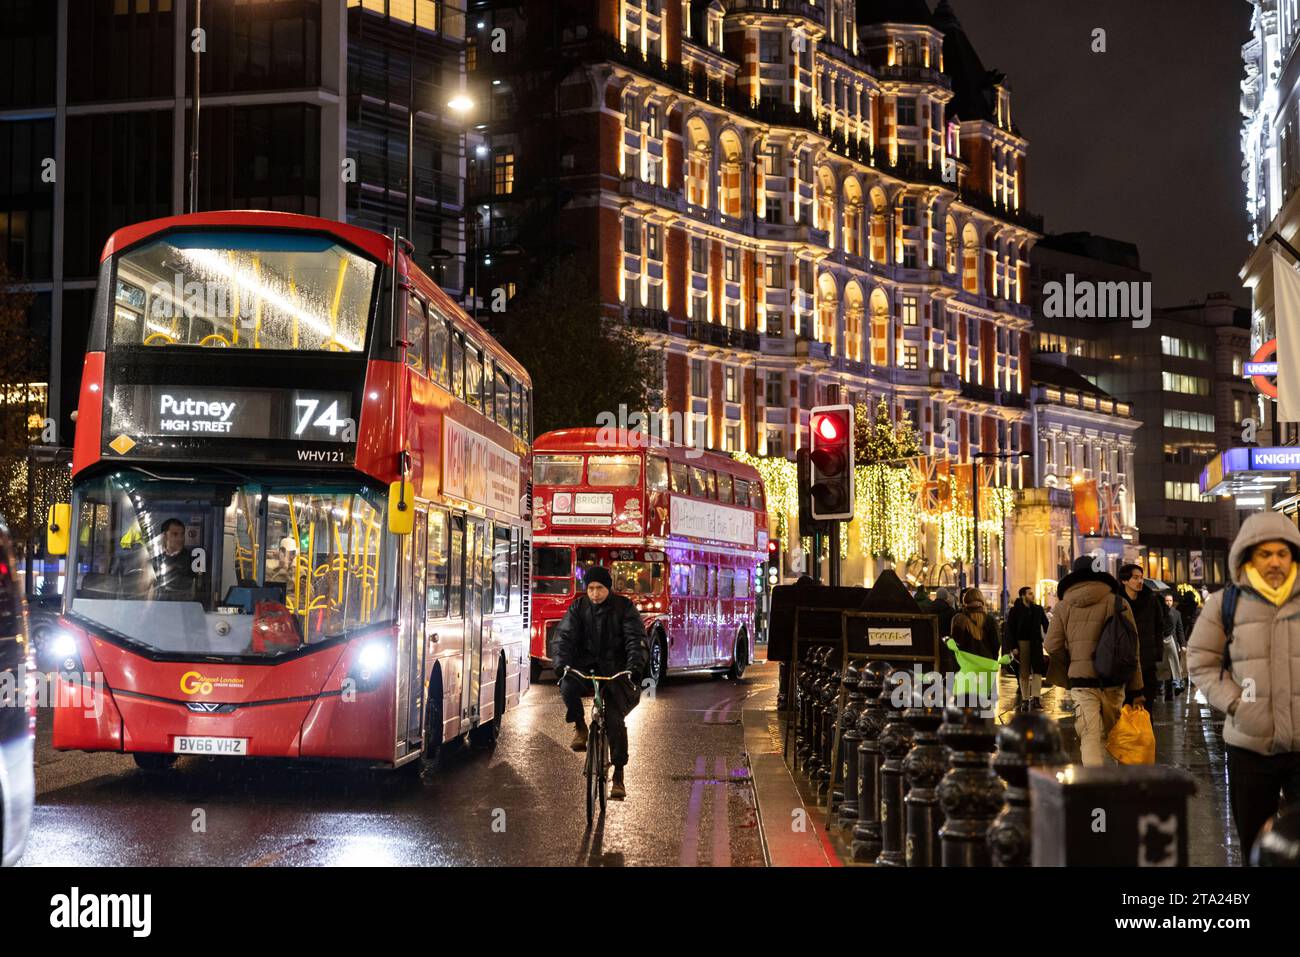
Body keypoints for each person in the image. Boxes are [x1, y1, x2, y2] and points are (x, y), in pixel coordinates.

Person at [1187, 512, 1300, 855]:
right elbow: (1200, 661)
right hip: (1249, 747)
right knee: (1253, 843)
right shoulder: (1225, 604)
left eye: (1282, 553)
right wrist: (1236, 703)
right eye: (1265, 554)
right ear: (1248, 557)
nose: (1275, 562)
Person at [553, 565, 650, 800]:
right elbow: (563, 637)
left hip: (616, 671)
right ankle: (580, 727)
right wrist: (561, 664)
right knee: (567, 686)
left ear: (609, 588)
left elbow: (635, 640)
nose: (595, 594)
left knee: (614, 720)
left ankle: (618, 774)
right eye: (591, 589)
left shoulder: (624, 608)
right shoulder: (579, 607)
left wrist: (634, 669)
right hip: (585, 666)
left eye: (599, 588)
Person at [1044, 556, 1144, 766]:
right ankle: (1112, 783)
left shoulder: (1063, 606)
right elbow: (1132, 649)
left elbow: (1051, 645)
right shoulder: (1117, 602)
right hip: (1112, 679)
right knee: (1113, 733)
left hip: (1081, 680)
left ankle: (1094, 783)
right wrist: (1137, 690)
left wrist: (1072, 662)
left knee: (1089, 733)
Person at [1118, 564, 1165, 708]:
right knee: (1124, 708)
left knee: (1146, 707)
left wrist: (1157, 651)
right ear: (1124, 581)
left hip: (1146, 660)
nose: (1140, 581)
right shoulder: (1117, 601)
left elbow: (1160, 626)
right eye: (1135, 578)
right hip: (1123, 662)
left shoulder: (1151, 600)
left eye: (1141, 578)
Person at [1005, 586, 1049, 710]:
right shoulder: (1015, 611)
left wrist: (1050, 639)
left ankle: (1036, 698)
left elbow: (1046, 626)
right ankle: (1025, 699)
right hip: (1022, 643)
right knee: (1024, 672)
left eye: (1032, 593)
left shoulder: (1038, 609)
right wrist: (1013, 646)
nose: (1033, 595)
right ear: (1023, 596)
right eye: (1030, 594)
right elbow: (1010, 630)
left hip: (1036, 643)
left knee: (1037, 671)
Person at [152, 518, 198, 598]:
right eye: (175, 534)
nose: (180, 538)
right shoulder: (155, 561)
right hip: (159, 606)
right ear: (165, 536)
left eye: (182, 534)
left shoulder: (193, 560)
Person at [950, 588, 1000, 661]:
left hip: (965, 663)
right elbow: (996, 644)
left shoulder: (958, 619)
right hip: (986, 662)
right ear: (982, 600)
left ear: (965, 600)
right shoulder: (990, 620)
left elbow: (954, 643)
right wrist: (993, 659)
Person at [1160, 593, 1186, 700]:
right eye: (1166, 600)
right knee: (1165, 668)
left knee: (1173, 668)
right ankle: (1165, 691)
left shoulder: (1177, 613)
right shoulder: (1160, 612)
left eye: (1170, 600)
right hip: (1163, 643)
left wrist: (1183, 644)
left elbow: (1180, 630)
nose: (1168, 602)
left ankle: (1171, 692)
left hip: (1173, 643)